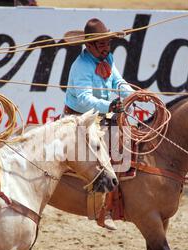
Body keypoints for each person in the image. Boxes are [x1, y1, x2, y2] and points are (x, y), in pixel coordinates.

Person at [63, 18, 151, 230]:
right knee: (107, 155)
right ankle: (104, 210)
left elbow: (118, 82)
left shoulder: (108, 58)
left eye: (108, 43)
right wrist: (111, 106)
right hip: (81, 119)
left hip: (104, 116)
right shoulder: (80, 66)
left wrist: (134, 95)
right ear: (89, 45)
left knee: (131, 140)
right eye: (101, 44)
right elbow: (83, 99)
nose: (106, 47)